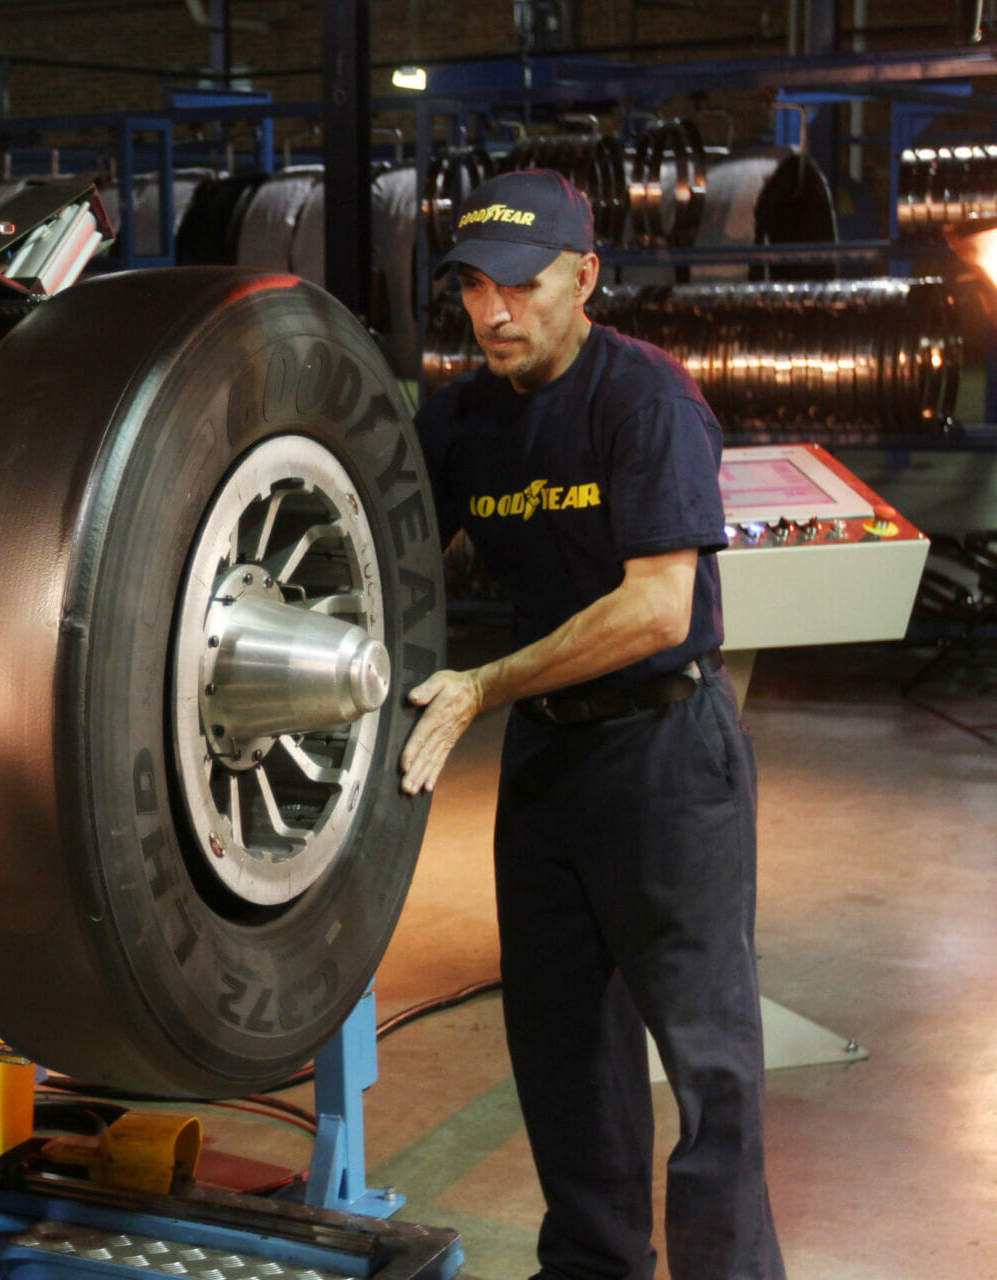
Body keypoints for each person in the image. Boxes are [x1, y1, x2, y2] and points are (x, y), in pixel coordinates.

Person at [398, 169, 787, 1280]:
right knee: (563, 1045)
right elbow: (389, 549)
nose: (494, 313)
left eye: (520, 286)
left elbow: (658, 606)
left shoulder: (645, 400)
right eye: (474, 287)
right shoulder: (461, 418)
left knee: (709, 1062)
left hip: (666, 757)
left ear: (585, 277)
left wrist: (485, 683)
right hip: (549, 761)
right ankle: (593, 1264)